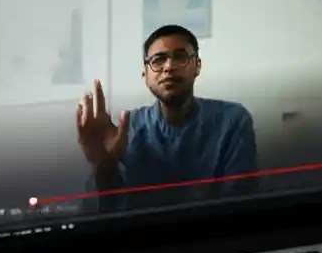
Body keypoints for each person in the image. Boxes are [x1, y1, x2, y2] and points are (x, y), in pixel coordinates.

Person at [75, 24, 258, 207]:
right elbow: (107, 213)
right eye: (158, 60)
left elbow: (240, 206)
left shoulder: (233, 121)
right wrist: (103, 165)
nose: (169, 67)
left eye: (180, 57)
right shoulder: (127, 130)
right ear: (145, 74)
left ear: (197, 66)